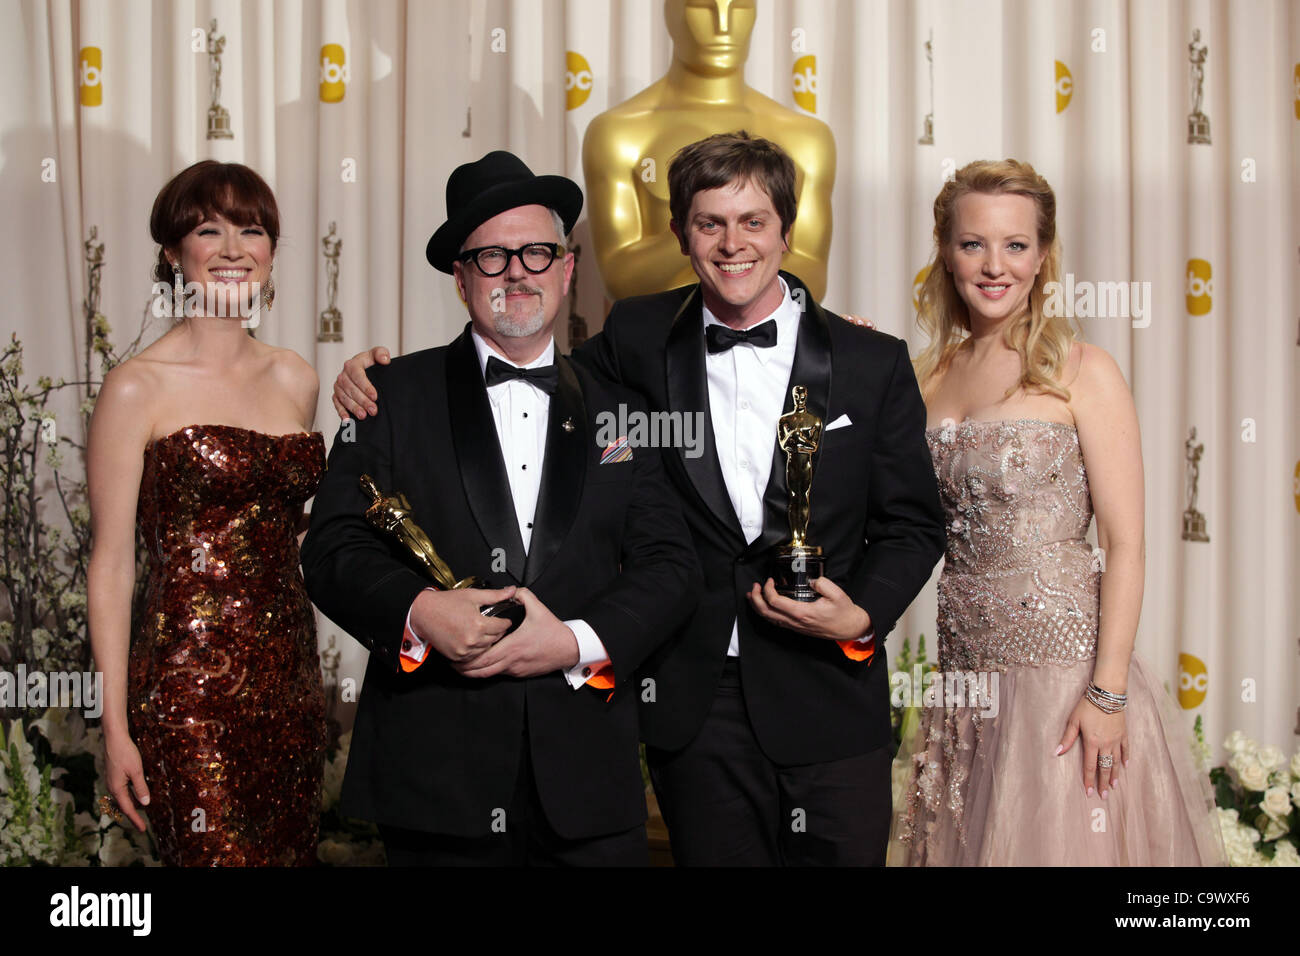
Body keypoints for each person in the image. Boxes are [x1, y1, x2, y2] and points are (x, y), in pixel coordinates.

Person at [334, 133, 946, 866]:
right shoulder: (635, 337)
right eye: (710, 223)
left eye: (753, 221)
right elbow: (534, 376)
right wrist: (376, 376)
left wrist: (864, 613)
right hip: (690, 698)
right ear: (681, 235)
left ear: (789, 230)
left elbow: (912, 522)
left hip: (827, 692)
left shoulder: (868, 360)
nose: (732, 244)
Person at [299, 151, 699, 866]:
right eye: (491, 257)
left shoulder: (626, 411)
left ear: (568, 268)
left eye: (536, 252)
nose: (517, 272)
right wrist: (422, 612)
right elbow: (331, 552)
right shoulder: (388, 396)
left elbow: (669, 563)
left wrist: (575, 640)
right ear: (460, 279)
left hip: (588, 779)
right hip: (437, 782)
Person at [886, 159, 1224, 865]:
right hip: (964, 682)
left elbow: (1126, 544)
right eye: (973, 243)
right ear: (946, 254)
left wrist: (1107, 694)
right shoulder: (924, 378)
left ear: (1043, 257)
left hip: (1064, 681)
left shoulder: (1082, 370)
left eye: (1015, 245)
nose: (994, 265)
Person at [86, 160, 327, 865]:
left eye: (250, 229)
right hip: (186, 693)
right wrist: (116, 727)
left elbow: (282, 529)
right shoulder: (137, 388)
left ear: (271, 252)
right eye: (208, 229)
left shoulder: (295, 378)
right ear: (172, 253)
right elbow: (111, 561)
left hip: (291, 690)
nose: (231, 248)